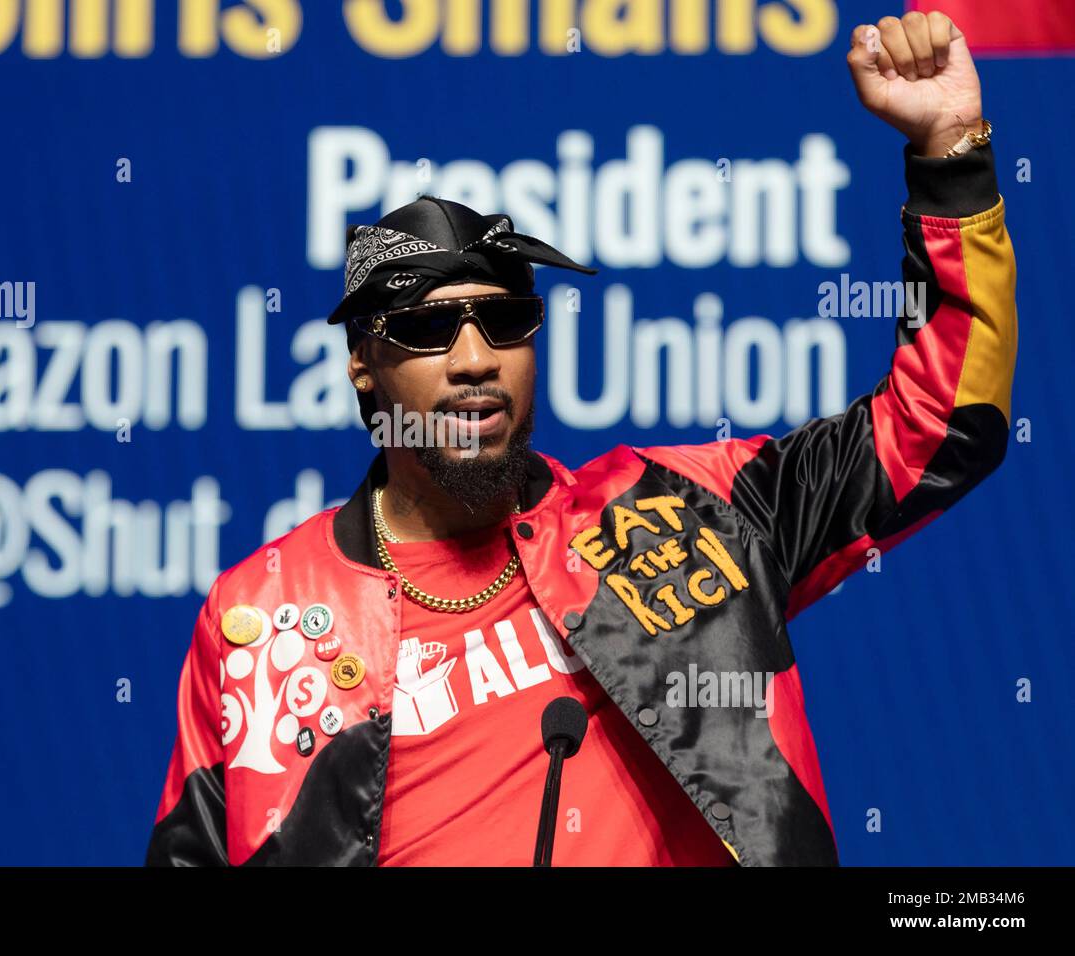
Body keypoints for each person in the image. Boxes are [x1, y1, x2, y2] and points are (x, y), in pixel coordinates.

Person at [147, 11, 1016, 866]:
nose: (475, 360)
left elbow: (940, 428)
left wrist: (949, 158)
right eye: (425, 331)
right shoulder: (258, 619)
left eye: (505, 320)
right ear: (362, 364)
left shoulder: (687, 512)